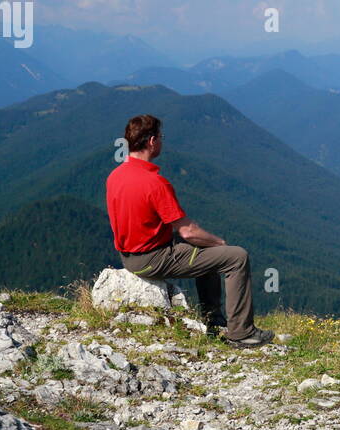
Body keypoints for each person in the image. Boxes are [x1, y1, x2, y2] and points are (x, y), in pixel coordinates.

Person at [105, 113, 273, 347]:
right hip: (152, 258)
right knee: (236, 257)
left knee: (207, 252)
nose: (162, 141)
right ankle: (241, 333)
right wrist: (220, 243)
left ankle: (213, 319)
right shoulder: (154, 183)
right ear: (152, 141)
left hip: (130, 255)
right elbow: (188, 231)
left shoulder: (116, 175)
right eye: (161, 137)